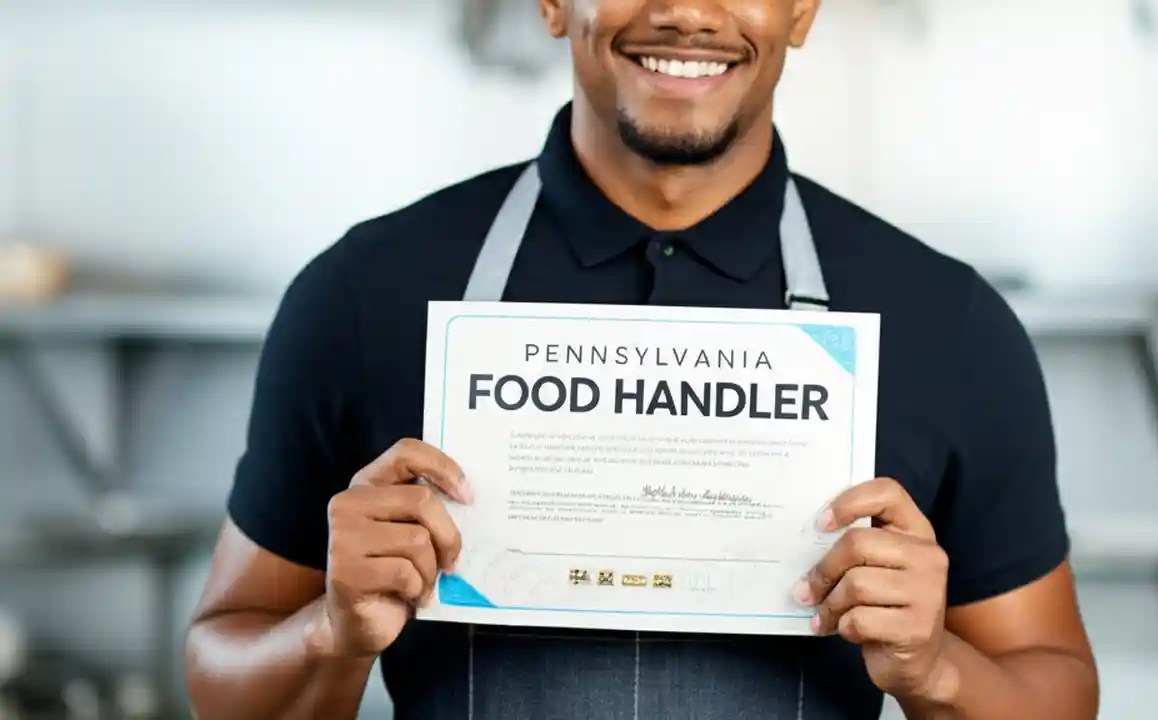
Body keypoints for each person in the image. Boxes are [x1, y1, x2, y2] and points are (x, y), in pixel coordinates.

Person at [185, 1, 1100, 718]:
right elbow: (221, 671)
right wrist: (330, 634)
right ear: (552, 1)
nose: (687, 13)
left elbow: (1056, 690)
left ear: (803, 9)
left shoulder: (950, 324)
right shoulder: (361, 296)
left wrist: (934, 667)